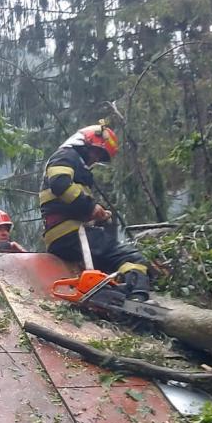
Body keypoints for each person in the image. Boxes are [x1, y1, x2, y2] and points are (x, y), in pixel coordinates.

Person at [39, 123, 151, 298]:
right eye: (96, 153)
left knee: (109, 266)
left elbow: (72, 204)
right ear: (85, 144)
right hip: (72, 233)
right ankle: (139, 299)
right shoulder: (66, 156)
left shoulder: (75, 166)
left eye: (100, 156)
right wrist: (92, 207)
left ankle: (115, 298)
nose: (95, 159)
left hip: (68, 235)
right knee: (131, 258)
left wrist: (96, 216)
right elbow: (60, 184)